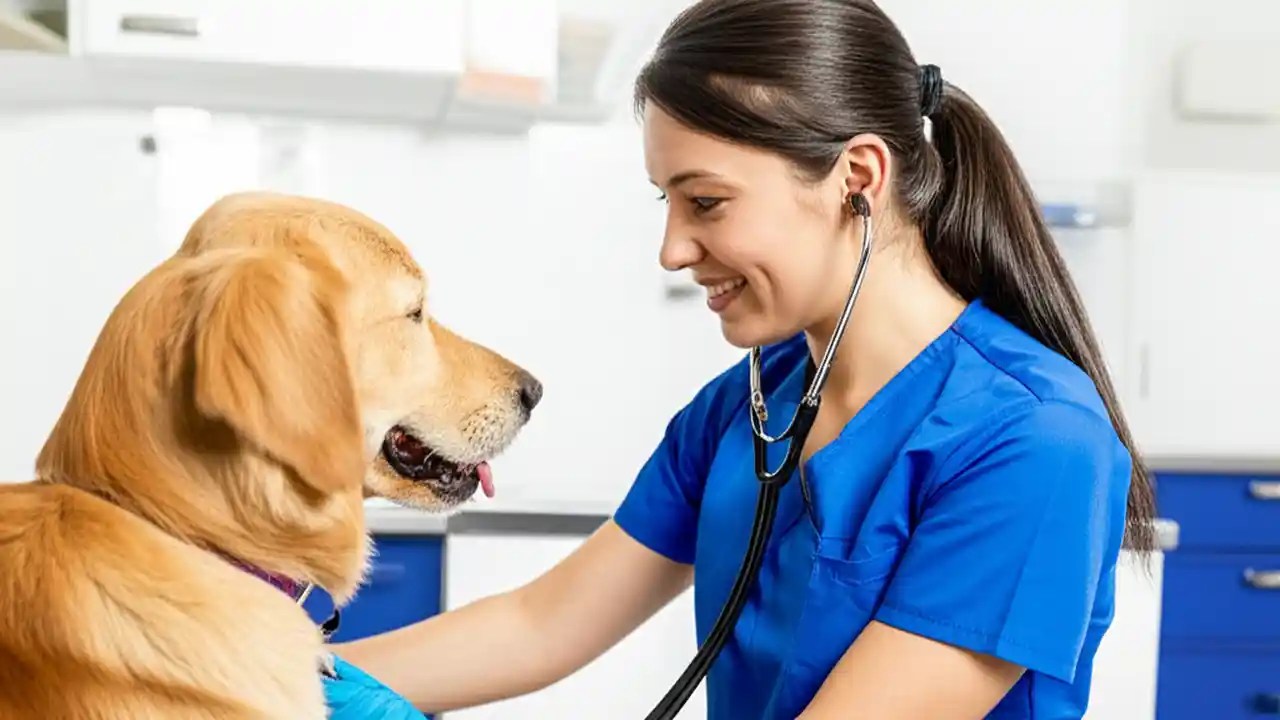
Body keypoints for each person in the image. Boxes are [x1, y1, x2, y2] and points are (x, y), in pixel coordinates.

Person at [323, 0, 1155, 717]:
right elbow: (543, 624)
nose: (674, 249)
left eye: (706, 202)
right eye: (669, 204)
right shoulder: (741, 410)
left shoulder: (1034, 442)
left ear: (856, 177)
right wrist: (262, 676)